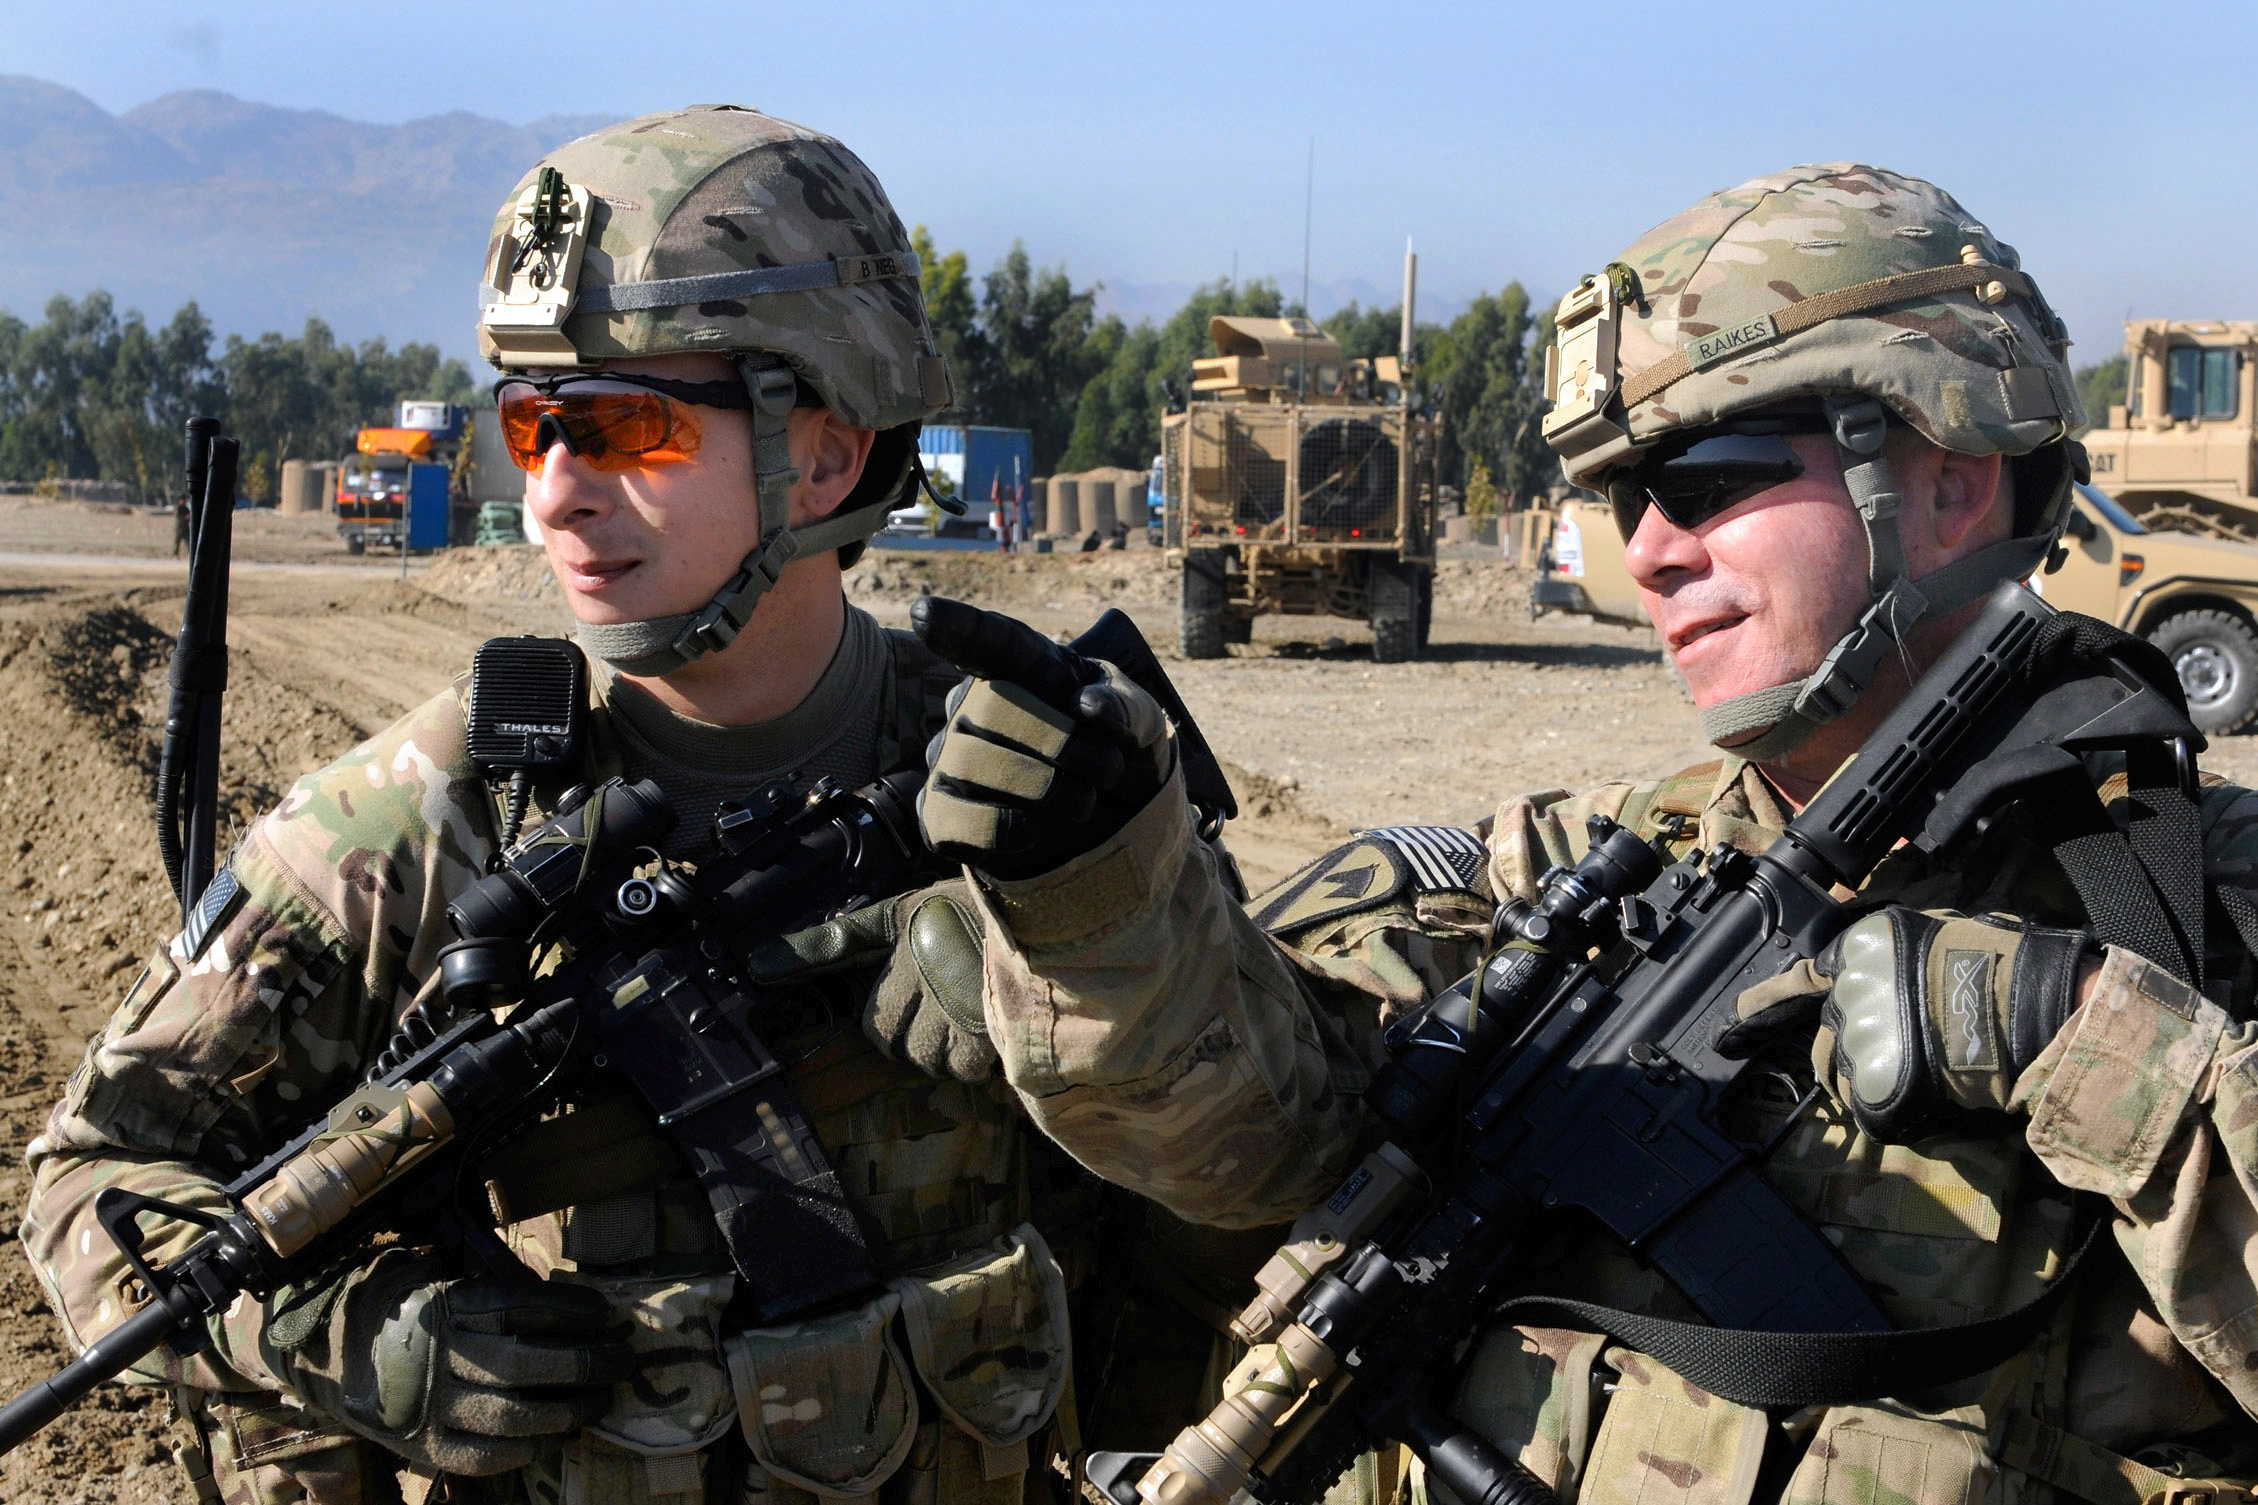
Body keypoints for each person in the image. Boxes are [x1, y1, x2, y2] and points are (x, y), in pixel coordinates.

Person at [918, 164, 2258, 1505]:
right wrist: (1096, 886)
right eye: (1627, 501)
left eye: (1708, 476)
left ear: (1951, 481)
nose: (1654, 550)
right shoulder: (1604, 873)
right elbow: (1252, 1140)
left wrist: (2087, 1037)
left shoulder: (2199, 908)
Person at [20, 105, 1229, 1505]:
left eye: (622, 428)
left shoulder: (1029, 780)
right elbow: (90, 1176)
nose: (553, 496)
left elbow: (1257, 1177)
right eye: (529, 426)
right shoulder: (425, 818)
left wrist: (1110, 954)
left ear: (824, 451)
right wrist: (341, 1332)